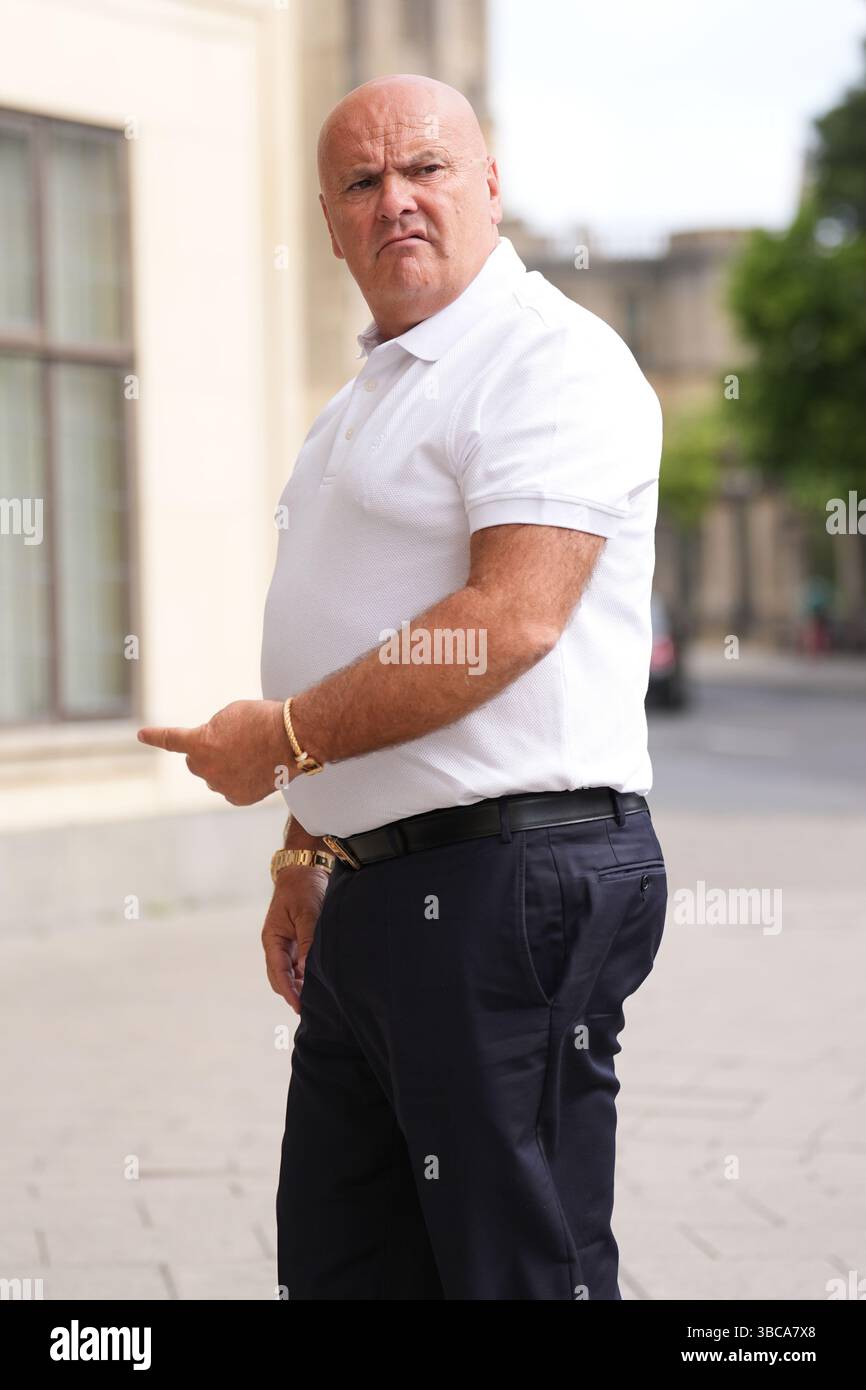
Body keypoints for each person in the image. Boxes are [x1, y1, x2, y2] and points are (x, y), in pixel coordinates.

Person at [139, 72, 668, 1301]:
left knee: (514, 1273)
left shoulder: (547, 362)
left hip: (509, 880)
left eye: (427, 168)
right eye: (362, 182)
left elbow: (505, 620)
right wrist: (305, 846)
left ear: (490, 184)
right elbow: (358, 630)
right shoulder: (367, 394)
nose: (398, 202)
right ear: (329, 222)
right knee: (344, 1261)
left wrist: (277, 740)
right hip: (388, 891)